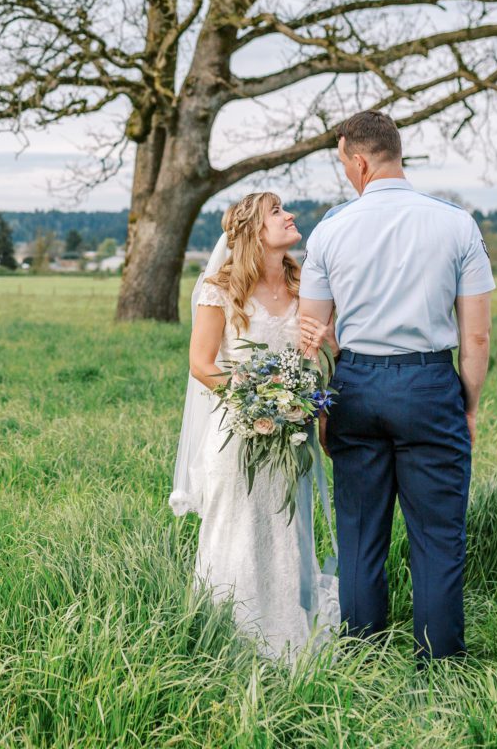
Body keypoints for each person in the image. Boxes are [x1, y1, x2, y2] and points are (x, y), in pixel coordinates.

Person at [297, 111, 494, 660]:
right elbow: (474, 338)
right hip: (431, 384)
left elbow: (309, 335)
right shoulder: (457, 225)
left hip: (355, 384)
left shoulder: (331, 229)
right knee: (438, 538)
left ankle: (363, 656)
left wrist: (323, 407)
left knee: (360, 535)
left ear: (358, 160)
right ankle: (440, 662)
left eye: (343, 165)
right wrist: (468, 406)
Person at [174, 192, 339, 658]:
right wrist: (255, 400)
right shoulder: (219, 289)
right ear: (252, 231)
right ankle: (224, 638)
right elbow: (201, 364)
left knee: (289, 530)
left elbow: (319, 360)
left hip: (293, 436)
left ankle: (289, 641)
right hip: (238, 436)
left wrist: (318, 348)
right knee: (237, 533)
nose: (290, 216)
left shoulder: (306, 285)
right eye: (277, 212)